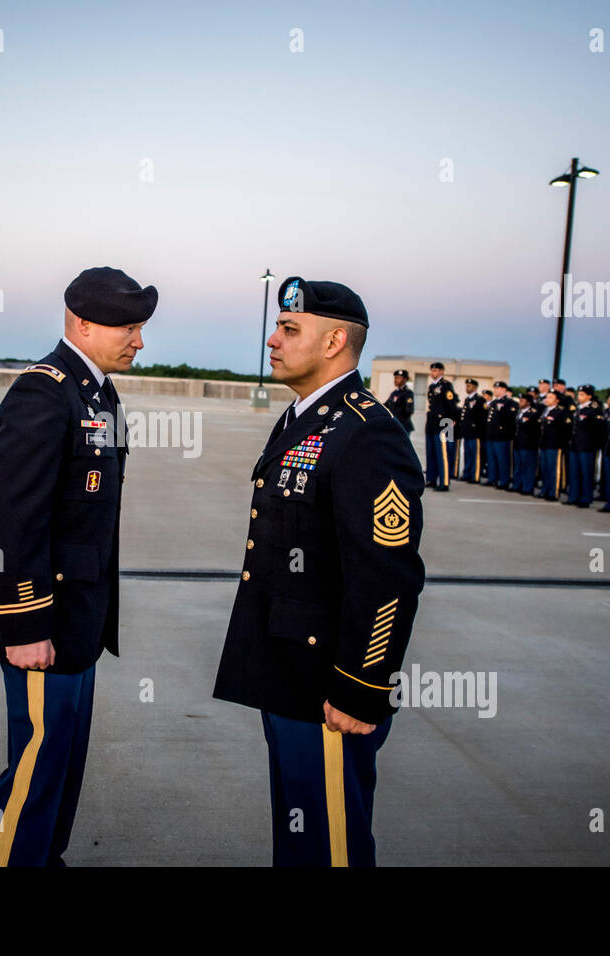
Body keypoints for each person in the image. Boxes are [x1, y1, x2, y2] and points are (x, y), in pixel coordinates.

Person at [213, 276, 425, 867]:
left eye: (289, 329)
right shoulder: (304, 418)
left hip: (329, 683)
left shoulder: (368, 433)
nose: (272, 341)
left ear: (334, 341)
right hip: (288, 671)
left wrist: (360, 687)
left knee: (332, 842)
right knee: (301, 834)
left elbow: (388, 577)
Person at [0, 266, 156, 866]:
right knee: (32, 774)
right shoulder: (44, 390)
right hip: (40, 625)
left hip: (77, 624)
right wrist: (23, 626)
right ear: (81, 322)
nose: (139, 339)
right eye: (128, 326)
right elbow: (9, 516)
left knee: (61, 770)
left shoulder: (97, 391)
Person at [567, 385, 605, 507]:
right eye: (579, 394)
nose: (579, 396)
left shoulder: (594, 409)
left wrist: (594, 445)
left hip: (587, 447)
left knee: (586, 474)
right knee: (574, 473)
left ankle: (586, 498)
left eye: (582, 394)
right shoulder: (577, 408)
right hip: (575, 445)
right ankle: (573, 496)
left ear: (589, 396)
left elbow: (598, 430)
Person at [424, 363, 460, 491]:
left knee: (443, 453)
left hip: (444, 422)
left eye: (435, 370)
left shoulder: (446, 385)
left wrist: (453, 419)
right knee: (431, 452)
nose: (432, 373)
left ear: (441, 372)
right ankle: (431, 479)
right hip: (432, 422)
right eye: (431, 370)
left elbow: (451, 404)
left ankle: (444, 482)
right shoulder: (432, 386)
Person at [537, 390, 569, 501]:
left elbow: (565, 430)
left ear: (557, 400)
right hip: (544, 444)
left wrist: (561, 443)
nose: (547, 399)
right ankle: (545, 490)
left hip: (555, 445)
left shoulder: (560, 412)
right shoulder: (545, 410)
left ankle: (553, 492)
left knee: (553, 469)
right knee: (545, 469)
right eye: (547, 397)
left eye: (550, 397)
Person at [484, 381, 516, 490]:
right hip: (491, 436)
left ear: (503, 390)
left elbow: (509, 420)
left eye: (498, 388)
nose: (495, 390)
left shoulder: (509, 403)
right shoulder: (493, 403)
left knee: (502, 460)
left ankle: (504, 481)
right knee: (492, 459)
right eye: (495, 388)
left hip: (502, 436)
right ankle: (492, 478)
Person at [512, 392, 541, 495]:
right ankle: (517, 485)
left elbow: (536, 431)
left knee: (528, 467)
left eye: (522, 401)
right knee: (518, 465)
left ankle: (527, 487)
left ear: (528, 402)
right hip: (518, 443)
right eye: (520, 400)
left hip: (528, 444)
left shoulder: (533, 413)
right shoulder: (519, 412)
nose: (520, 402)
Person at [457, 379, 486, 483]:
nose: (467, 388)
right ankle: (467, 473)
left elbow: (483, 417)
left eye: (469, 386)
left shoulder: (479, 400)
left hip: (475, 432)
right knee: (467, 454)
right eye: (466, 386)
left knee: (475, 455)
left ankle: (475, 475)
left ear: (475, 387)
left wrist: (478, 430)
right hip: (467, 432)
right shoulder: (467, 399)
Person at [384, 369, 415, 433]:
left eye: (398, 378)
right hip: (393, 425)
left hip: (403, 426)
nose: (396, 380)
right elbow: (385, 405)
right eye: (395, 378)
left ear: (405, 379)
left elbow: (409, 410)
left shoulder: (408, 393)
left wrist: (399, 422)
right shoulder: (394, 393)